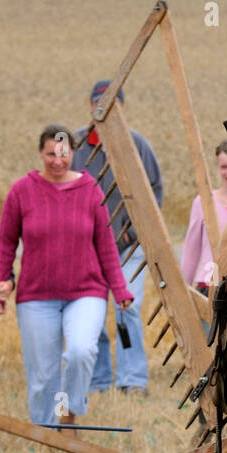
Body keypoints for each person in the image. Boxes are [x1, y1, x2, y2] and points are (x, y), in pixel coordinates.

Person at [0, 124, 132, 426]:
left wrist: (120, 289)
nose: (58, 161)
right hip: (36, 296)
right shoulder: (21, 192)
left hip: (86, 292)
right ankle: (45, 433)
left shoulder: (90, 191)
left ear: (74, 153)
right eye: (51, 154)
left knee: (81, 351)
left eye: (64, 154)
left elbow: (106, 246)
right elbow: (5, 243)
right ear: (40, 154)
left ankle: (67, 415)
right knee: (43, 375)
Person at [72, 79, 164, 396]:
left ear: (123, 108)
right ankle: (98, 381)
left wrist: (132, 232)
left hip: (127, 250)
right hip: (87, 249)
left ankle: (132, 379)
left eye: (114, 106)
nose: (108, 112)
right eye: (101, 105)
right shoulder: (76, 146)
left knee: (128, 309)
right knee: (92, 314)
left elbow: (154, 192)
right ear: (91, 107)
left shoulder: (138, 146)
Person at [180, 141, 227, 295]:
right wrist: (182, 292)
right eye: (224, 167)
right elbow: (191, 251)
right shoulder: (204, 202)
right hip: (209, 285)